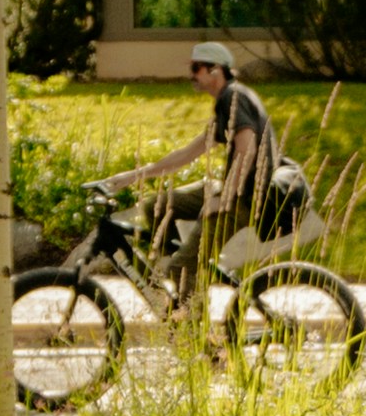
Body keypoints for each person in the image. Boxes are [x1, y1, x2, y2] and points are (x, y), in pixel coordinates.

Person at [101, 41, 285, 322]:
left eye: (197, 68)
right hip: (234, 191)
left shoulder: (233, 98)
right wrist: (132, 177)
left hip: (248, 198)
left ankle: (199, 337)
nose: (192, 74)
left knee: (183, 267)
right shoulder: (226, 102)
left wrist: (223, 198)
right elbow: (189, 153)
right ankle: (183, 272)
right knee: (159, 206)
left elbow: (247, 150)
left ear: (215, 70)